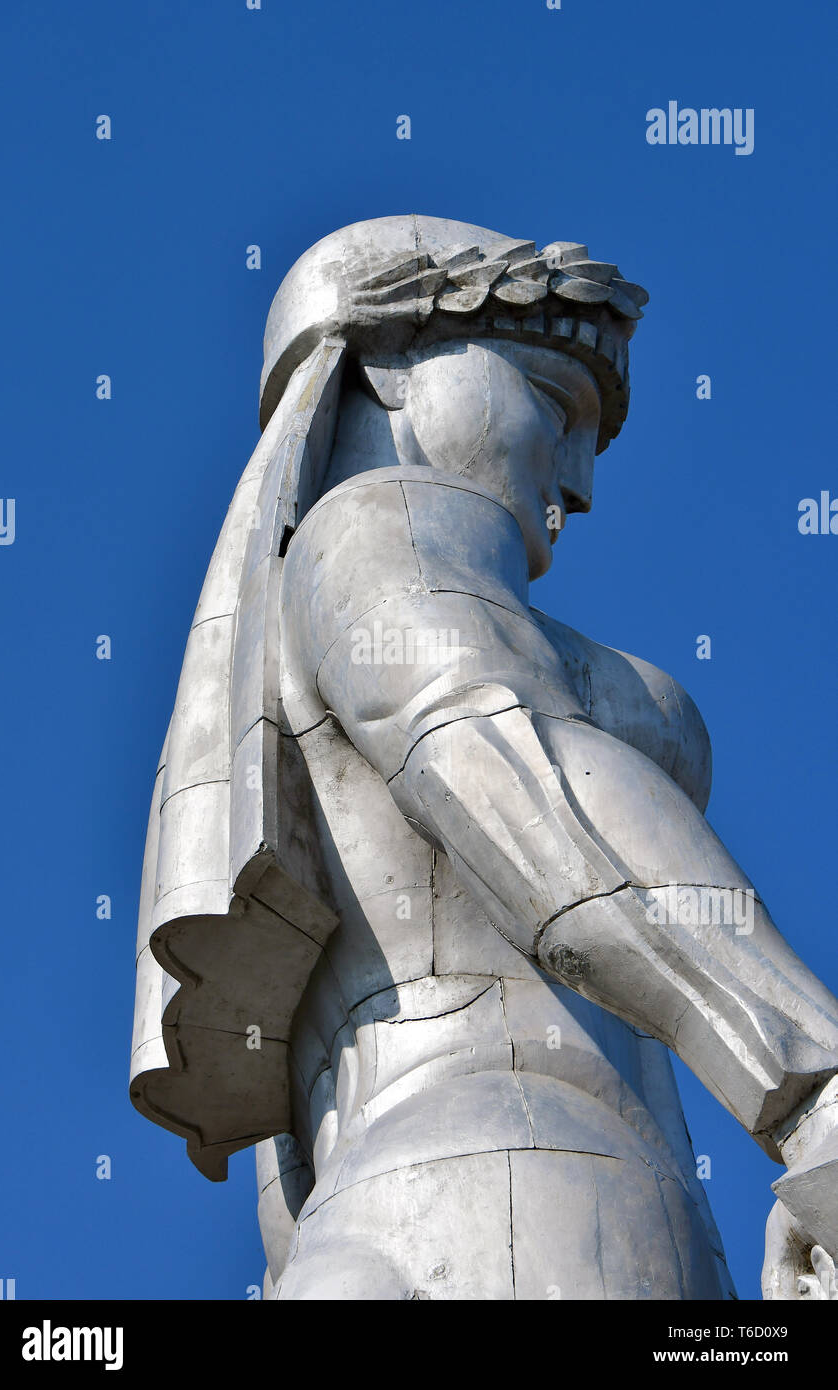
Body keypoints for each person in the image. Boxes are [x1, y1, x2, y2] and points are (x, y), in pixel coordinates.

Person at [132, 216, 838, 1301]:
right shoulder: (380, 520)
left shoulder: (299, 624)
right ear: (391, 373)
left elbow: (289, 1126)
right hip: (542, 1185)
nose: (578, 481)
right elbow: (515, 773)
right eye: (554, 407)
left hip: (364, 1225)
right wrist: (812, 1091)